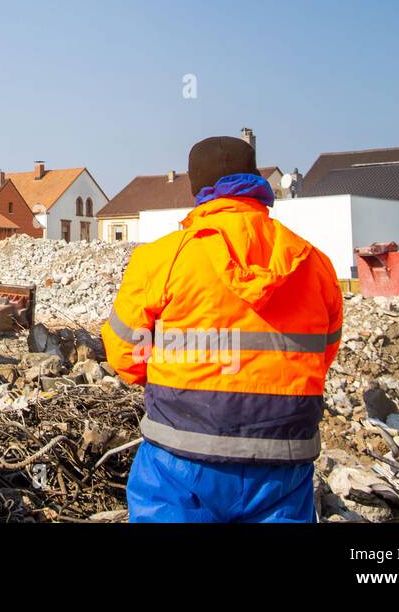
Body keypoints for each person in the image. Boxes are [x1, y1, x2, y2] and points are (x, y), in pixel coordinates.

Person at [101, 136, 343, 522]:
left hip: (181, 461)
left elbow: (125, 356)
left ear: (197, 187)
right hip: (283, 463)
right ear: (255, 181)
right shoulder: (315, 264)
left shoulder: (163, 258)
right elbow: (322, 355)